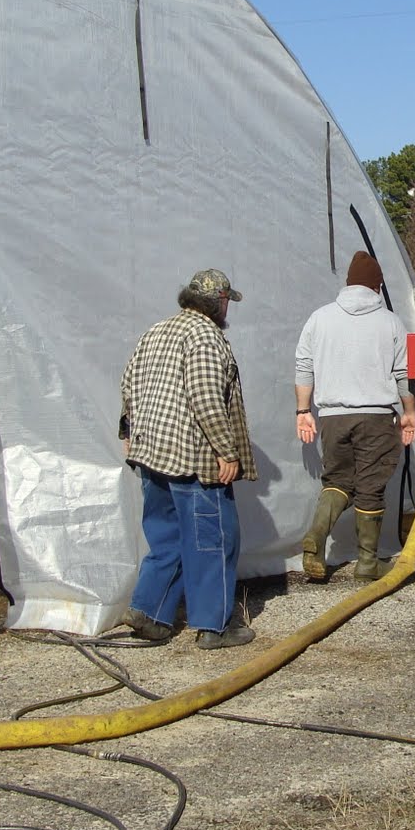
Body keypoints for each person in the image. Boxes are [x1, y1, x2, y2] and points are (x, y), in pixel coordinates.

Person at [118, 268, 257, 649]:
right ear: (221, 301)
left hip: (152, 454)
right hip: (194, 458)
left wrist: (129, 431)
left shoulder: (156, 330)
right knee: (212, 540)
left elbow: (129, 383)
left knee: (167, 537)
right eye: (228, 301)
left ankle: (150, 612)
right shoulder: (206, 337)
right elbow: (206, 397)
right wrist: (226, 451)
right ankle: (217, 627)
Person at [293, 251, 415, 581]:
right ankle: (367, 563)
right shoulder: (390, 322)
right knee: (370, 488)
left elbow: (304, 367)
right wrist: (410, 412)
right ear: (377, 287)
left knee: (337, 481)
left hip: (332, 417)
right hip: (376, 418)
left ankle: (316, 536)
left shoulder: (319, 318)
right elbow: (403, 373)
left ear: (348, 284)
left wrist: (304, 411)